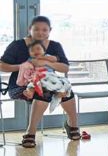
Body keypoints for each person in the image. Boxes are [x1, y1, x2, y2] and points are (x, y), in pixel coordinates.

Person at [0, 15, 81, 147]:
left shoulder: (54, 46)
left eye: (44, 29)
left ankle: (72, 125)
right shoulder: (17, 45)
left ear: (50, 30)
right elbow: (2, 65)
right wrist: (23, 66)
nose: (40, 32)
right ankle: (30, 133)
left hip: (48, 82)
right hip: (21, 85)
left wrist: (45, 62)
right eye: (36, 29)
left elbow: (65, 67)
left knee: (66, 90)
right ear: (30, 29)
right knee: (43, 92)